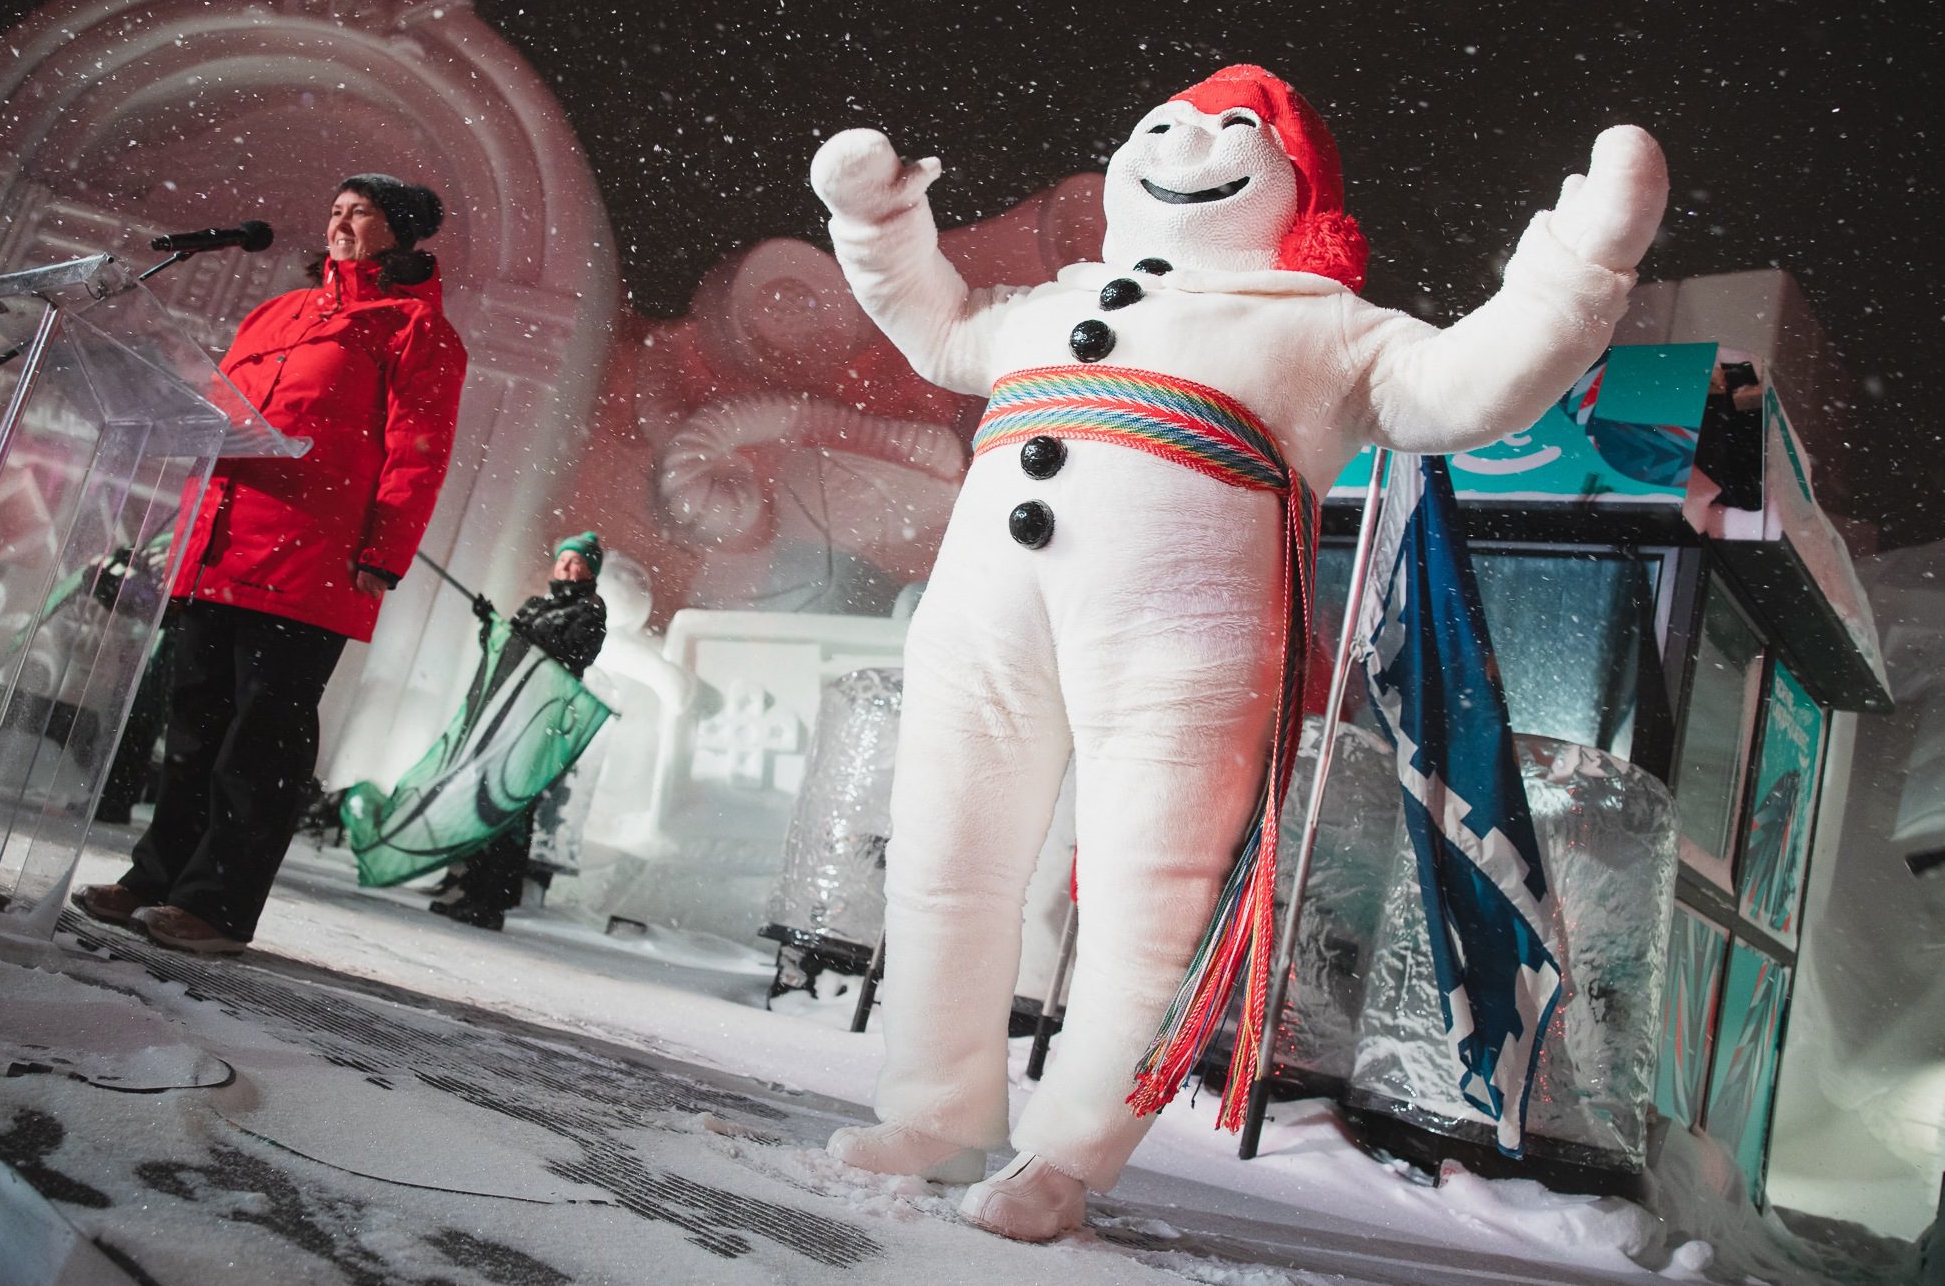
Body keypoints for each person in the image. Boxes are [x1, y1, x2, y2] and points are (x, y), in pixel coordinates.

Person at [808, 65, 1666, 1239]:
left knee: (1139, 901)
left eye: (1230, 133)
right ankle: (934, 1106)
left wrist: (1579, 266)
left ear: (1291, 181)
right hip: (980, 622)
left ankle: (1066, 1152)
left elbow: (1467, 388)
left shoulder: (1323, 325)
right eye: (1160, 123)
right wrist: (876, 219)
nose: (1182, 144)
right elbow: (937, 321)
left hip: (1187, 645)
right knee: (942, 863)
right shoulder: (1050, 300)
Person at [72, 174, 469, 954]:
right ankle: (156, 878)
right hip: (218, 540)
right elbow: (224, 410)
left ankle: (217, 906)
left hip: (308, 557)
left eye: (361, 213)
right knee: (192, 730)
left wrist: (383, 553)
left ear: (402, 233)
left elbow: (418, 452)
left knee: (258, 741)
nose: (340, 221)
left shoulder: (414, 328)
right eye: (334, 209)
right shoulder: (278, 312)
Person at [340, 533, 611, 931]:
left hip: (536, 722)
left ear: (591, 571)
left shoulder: (590, 610)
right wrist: (493, 626)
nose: (568, 569)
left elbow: (568, 656)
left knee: (512, 808)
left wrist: (521, 636)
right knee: (482, 796)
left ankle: (492, 899)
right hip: (505, 716)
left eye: (577, 563)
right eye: (564, 560)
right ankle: (469, 886)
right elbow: (505, 651)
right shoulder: (539, 605)